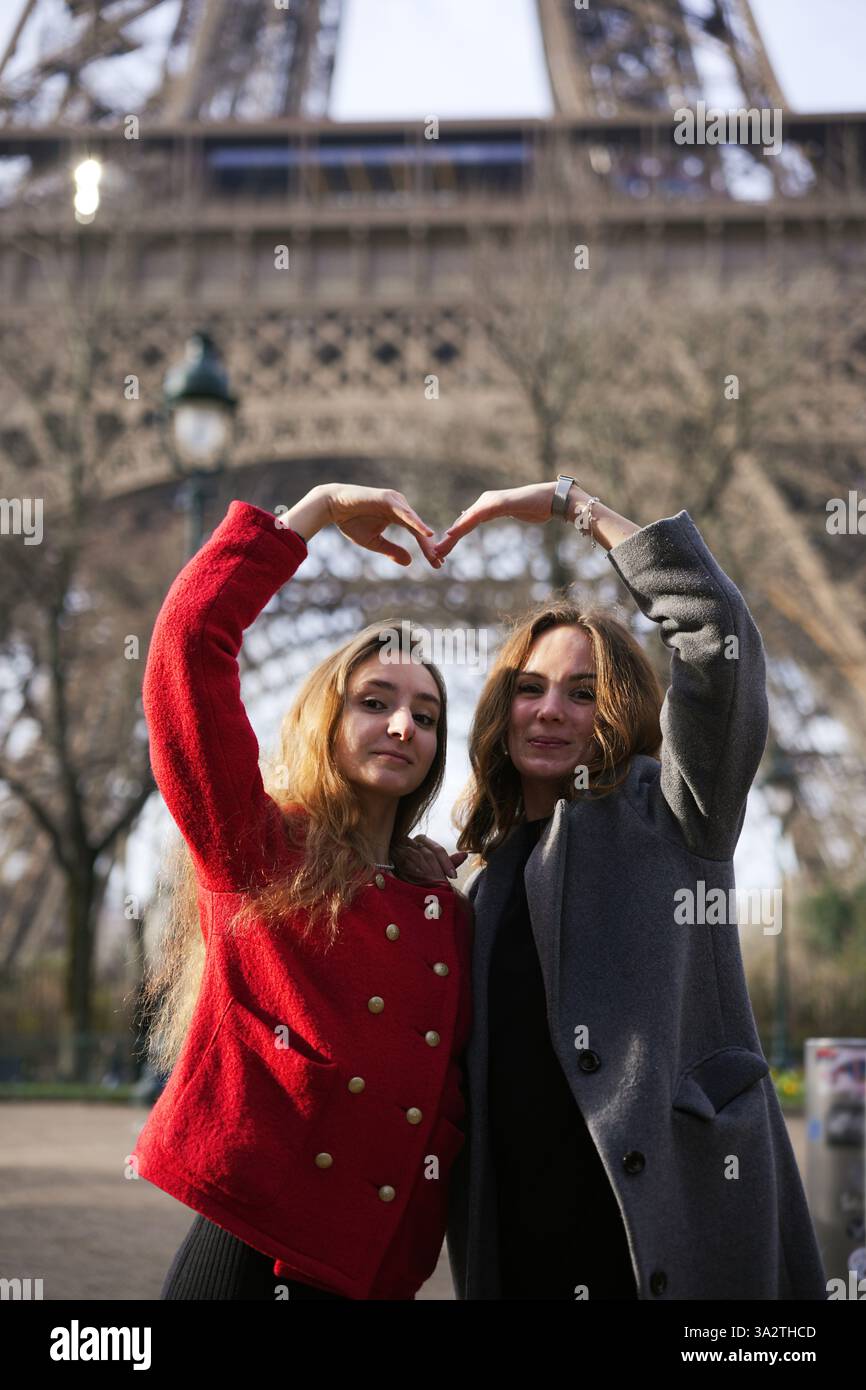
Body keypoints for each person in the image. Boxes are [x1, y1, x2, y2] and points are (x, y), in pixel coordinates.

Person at [400, 474, 828, 1301]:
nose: (550, 710)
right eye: (530, 688)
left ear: (617, 711)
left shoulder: (670, 811)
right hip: (522, 1237)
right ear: (502, 707)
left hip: (666, 1225)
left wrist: (577, 508)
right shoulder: (482, 879)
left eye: (582, 691)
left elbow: (716, 638)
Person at [132, 483, 473, 1301]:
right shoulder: (257, 847)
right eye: (376, 702)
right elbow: (188, 648)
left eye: (426, 716)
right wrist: (311, 513)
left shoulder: (446, 906)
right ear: (326, 716)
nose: (403, 727)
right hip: (255, 1241)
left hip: (378, 1263)